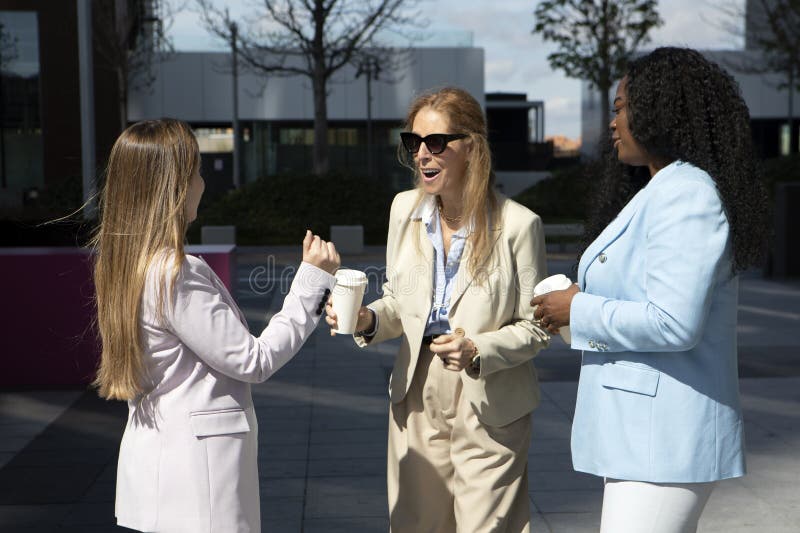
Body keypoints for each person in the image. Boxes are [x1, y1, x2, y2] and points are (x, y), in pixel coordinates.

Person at [531, 47, 770, 533]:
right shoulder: (661, 189)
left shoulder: (687, 193)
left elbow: (673, 322)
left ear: (660, 109)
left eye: (620, 106)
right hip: (644, 440)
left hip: (664, 443)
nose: (612, 121)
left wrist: (578, 309)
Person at [92, 118, 340, 533]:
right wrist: (313, 280)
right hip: (198, 483)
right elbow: (253, 360)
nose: (202, 185)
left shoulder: (122, 266)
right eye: (196, 173)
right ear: (172, 186)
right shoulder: (173, 272)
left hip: (157, 474)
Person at [325, 87, 549, 532]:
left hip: (489, 396)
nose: (422, 154)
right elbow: (398, 300)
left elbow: (537, 327)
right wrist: (368, 319)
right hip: (417, 390)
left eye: (435, 143)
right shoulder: (403, 209)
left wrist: (478, 348)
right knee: (417, 525)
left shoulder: (520, 225)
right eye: (413, 143)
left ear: (471, 146)